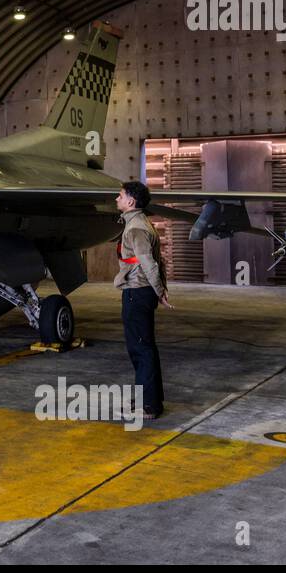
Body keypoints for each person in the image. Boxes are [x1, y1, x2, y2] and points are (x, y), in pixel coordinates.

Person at [114, 180, 173, 420]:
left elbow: (149, 262)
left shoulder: (136, 227)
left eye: (119, 196)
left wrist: (159, 291)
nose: (116, 199)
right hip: (140, 290)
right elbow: (157, 261)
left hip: (137, 292)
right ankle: (147, 399)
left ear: (130, 201)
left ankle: (149, 406)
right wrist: (160, 288)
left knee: (141, 349)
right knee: (143, 347)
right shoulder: (140, 223)